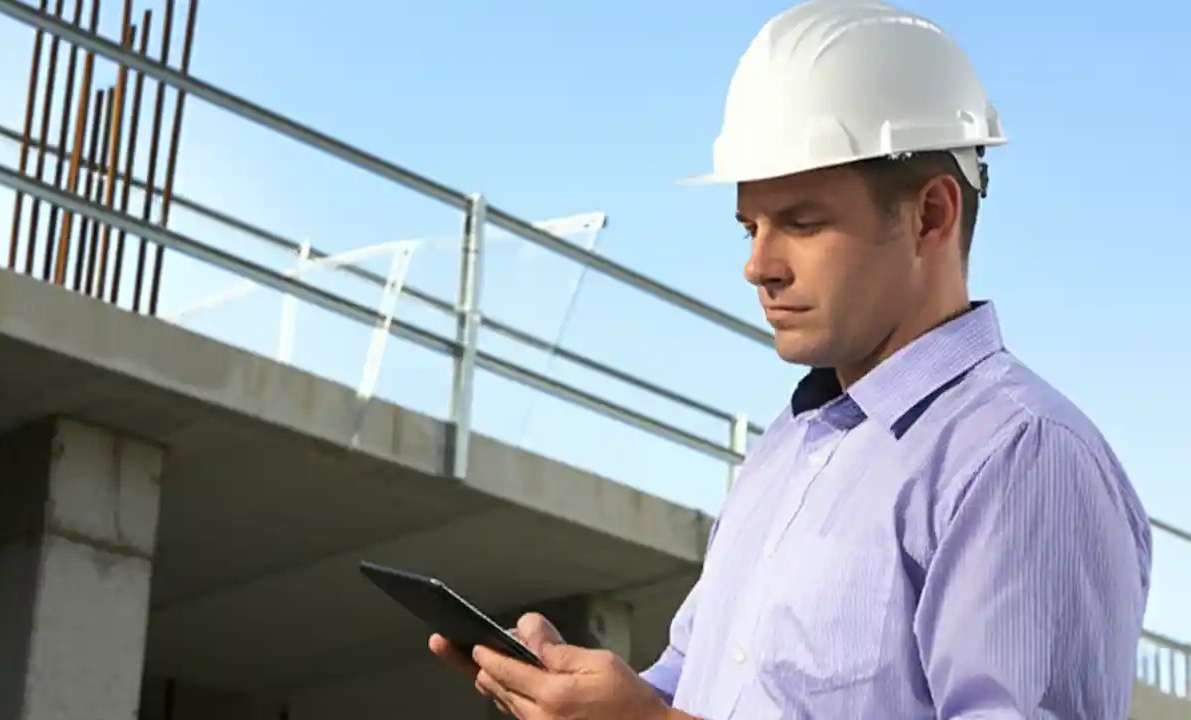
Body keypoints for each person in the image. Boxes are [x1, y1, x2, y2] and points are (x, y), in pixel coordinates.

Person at [430, 0, 1153, 717]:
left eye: (802, 223)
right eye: (749, 226)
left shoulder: (1023, 458)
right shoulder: (790, 448)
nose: (758, 265)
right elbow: (695, 683)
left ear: (931, 215)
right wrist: (576, 695)